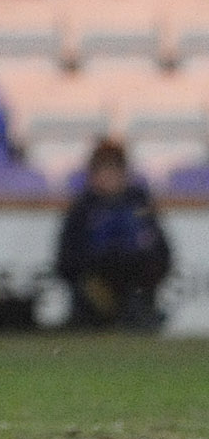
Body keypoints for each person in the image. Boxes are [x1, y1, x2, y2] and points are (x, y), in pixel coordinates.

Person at [55, 139, 172, 330]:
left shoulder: (139, 203)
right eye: (103, 170)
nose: (109, 177)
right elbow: (66, 259)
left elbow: (161, 253)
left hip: (135, 281)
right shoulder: (83, 208)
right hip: (95, 283)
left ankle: (137, 315)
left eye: (114, 170)